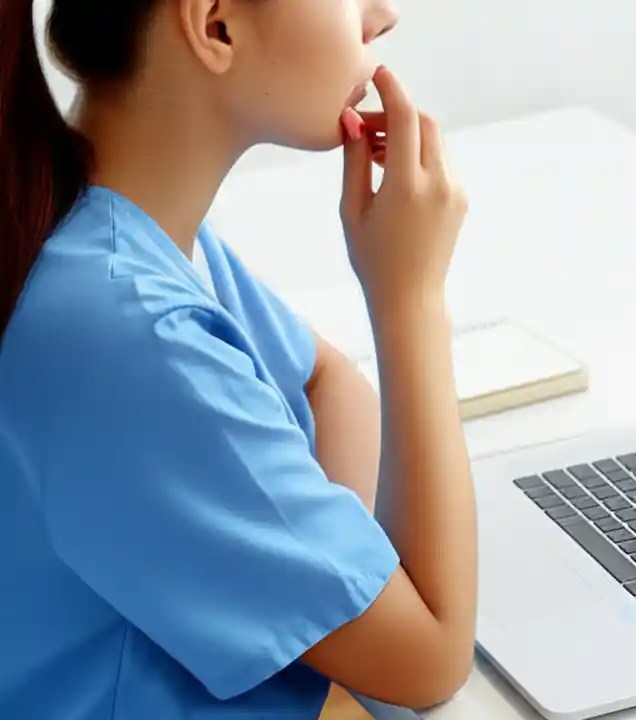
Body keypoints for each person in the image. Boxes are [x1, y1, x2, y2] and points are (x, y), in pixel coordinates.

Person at [0, 0, 478, 717]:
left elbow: (328, 380)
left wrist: (334, 577)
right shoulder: (128, 330)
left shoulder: (128, 233)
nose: (382, 16)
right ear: (216, 23)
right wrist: (409, 298)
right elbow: (430, 660)